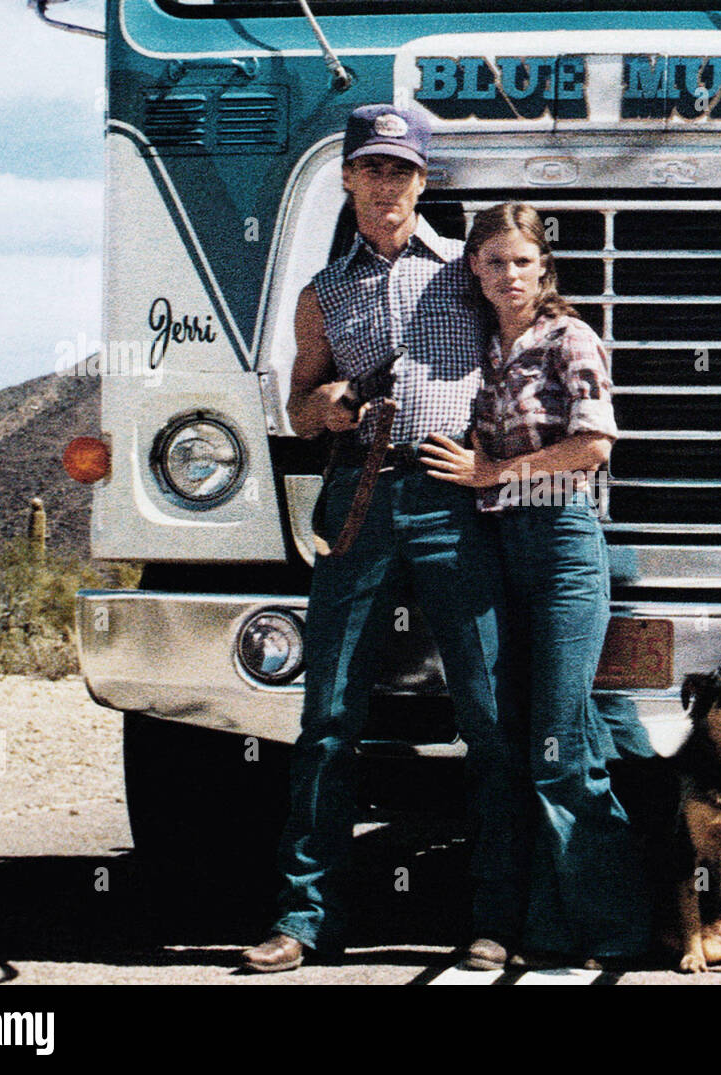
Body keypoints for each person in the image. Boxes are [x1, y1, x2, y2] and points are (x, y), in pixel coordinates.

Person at [242, 106, 525, 973]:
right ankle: (303, 916)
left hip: (452, 497)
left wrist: (497, 460)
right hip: (358, 497)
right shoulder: (322, 294)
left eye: (402, 171)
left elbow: (523, 358)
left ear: (423, 182)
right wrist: (319, 408)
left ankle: (498, 913)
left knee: (486, 710)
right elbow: (298, 403)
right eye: (372, 169)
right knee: (327, 713)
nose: (387, 186)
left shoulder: (468, 272)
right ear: (348, 179)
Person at [422, 202, 651, 965]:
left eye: (522, 261)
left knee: (561, 745)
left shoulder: (569, 337)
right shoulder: (482, 345)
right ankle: (535, 924)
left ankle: (613, 925)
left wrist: (495, 473)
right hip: (494, 549)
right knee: (511, 739)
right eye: (493, 262)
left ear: (543, 267)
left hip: (561, 544)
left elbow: (592, 446)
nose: (509, 274)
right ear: (474, 272)